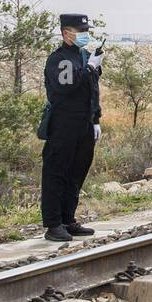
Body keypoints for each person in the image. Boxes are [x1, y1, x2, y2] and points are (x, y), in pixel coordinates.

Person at [40, 14, 103, 242]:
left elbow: (92, 91)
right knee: (56, 173)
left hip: (84, 124)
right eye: (80, 31)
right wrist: (88, 69)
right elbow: (67, 86)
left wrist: (96, 119)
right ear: (67, 33)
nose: (85, 35)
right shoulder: (59, 59)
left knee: (76, 173)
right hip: (64, 124)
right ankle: (53, 224)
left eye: (86, 30)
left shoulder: (84, 56)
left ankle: (68, 219)